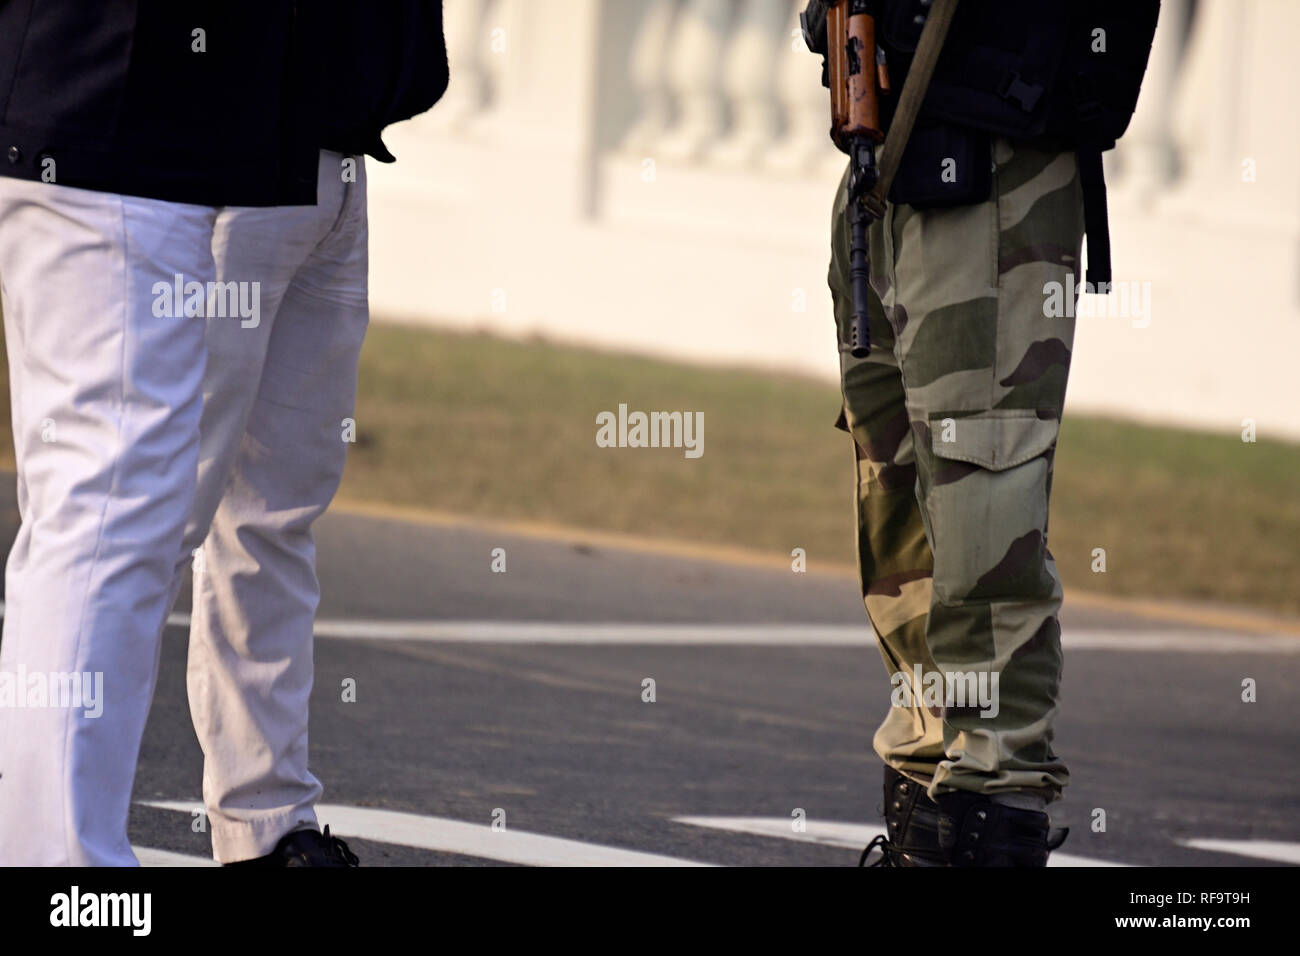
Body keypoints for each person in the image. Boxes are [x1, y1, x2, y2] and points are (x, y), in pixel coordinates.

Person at [0, 0, 447, 867]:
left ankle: (265, 827)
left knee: (266, 513)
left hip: (294, 135)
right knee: (116, 519)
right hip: (134, 131)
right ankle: (56, 871)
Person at [821, 0, 1159, 866]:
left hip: (997, 165)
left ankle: (989, 804)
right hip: (895, 147)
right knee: (896, 486)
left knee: (983, 503)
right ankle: (927, 806)